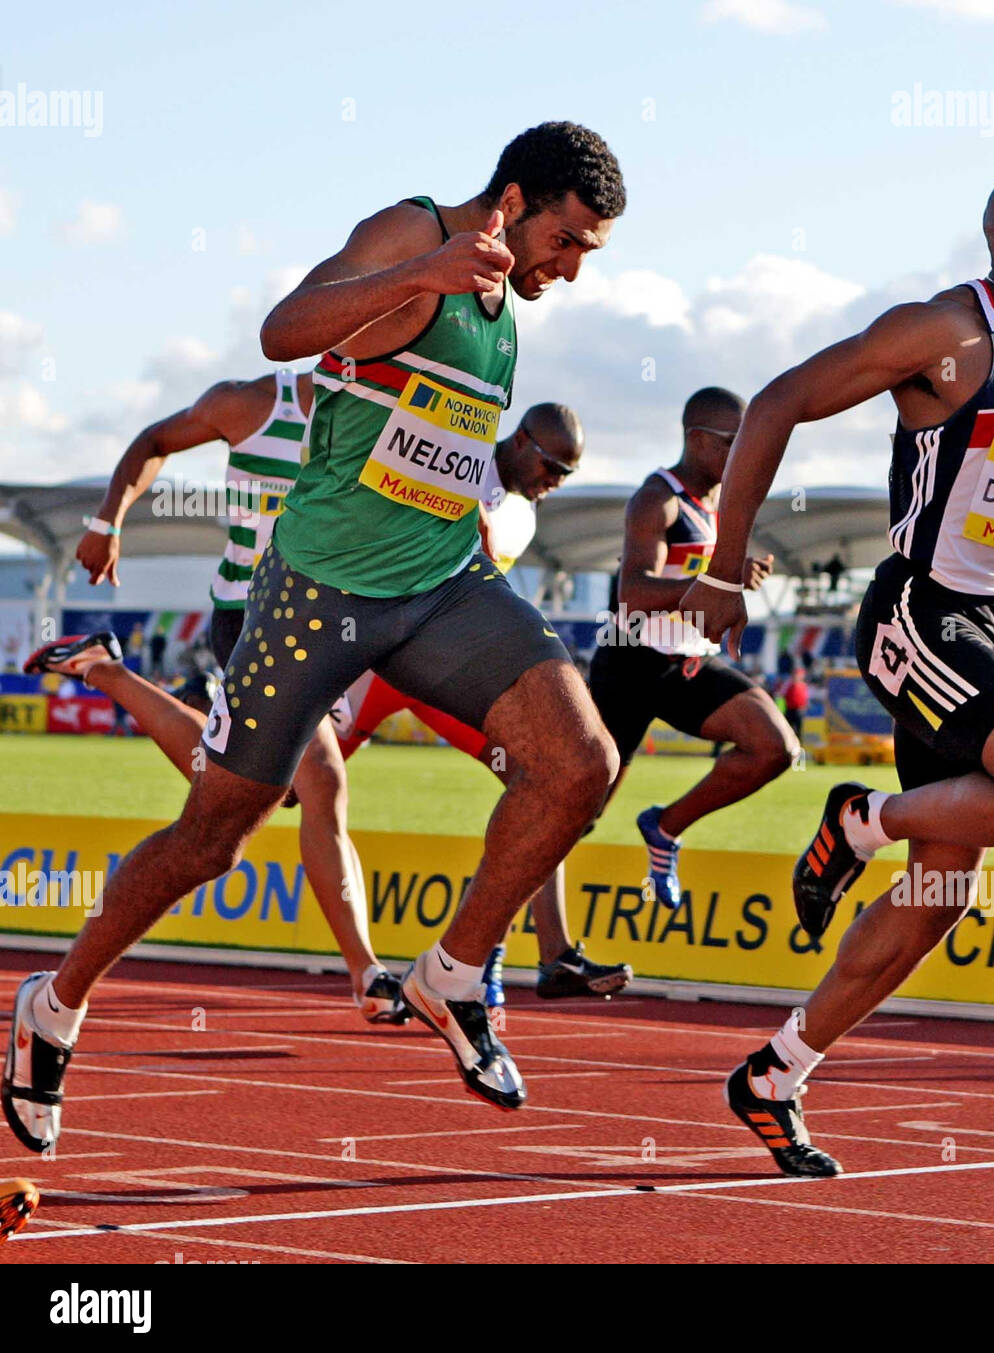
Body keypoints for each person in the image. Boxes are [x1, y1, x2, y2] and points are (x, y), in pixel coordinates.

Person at [4, 122, 627, 1156]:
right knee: (213, 837)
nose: (569, 271)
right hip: (319, 591)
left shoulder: (505, 307)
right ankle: (54, 1005)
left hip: (441, 583)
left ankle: (454, 975)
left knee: (578, 764)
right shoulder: (414, 234)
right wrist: (424, 268)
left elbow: (433, 443)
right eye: (566, 243)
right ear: (514, 202)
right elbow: (284, 329)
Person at [680, 171, 994, 1176]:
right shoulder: (943, 332)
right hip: (923, 612)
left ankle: (775, 1073)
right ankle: (858, 820)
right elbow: (780, 400)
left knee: (938, 893)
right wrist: (720, 564)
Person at [40, 369, 404, 1024]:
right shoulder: (253, 404)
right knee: (320, 780)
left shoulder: (388, 414)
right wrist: (107, 519)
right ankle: (367, 973)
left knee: (246, 794)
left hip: (326, 623)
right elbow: (155, 439)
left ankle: (106, 669)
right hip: (251, 616)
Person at [331, 403, 633, 1017]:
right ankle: (157, 698)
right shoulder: (460, 466)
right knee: (266, 787)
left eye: (568, 474)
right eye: (552, 465)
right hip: (373, 659)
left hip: (429, 669)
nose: (556, 482)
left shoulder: (519, 515)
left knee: (550, 781)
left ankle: (523, 955)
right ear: (520, 441)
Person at [587, 387, 800, 907]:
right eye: (733, 441)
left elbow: (698, 579)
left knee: (776, 748)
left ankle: (664, 826)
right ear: (698, 439)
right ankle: (509, 946)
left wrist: (733, 575)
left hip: (686, 663)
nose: (743, 452)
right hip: (632, 665)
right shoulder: (656, 498)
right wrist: (715, 582)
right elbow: (633, 593)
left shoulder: (714, 506)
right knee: (574, 816)